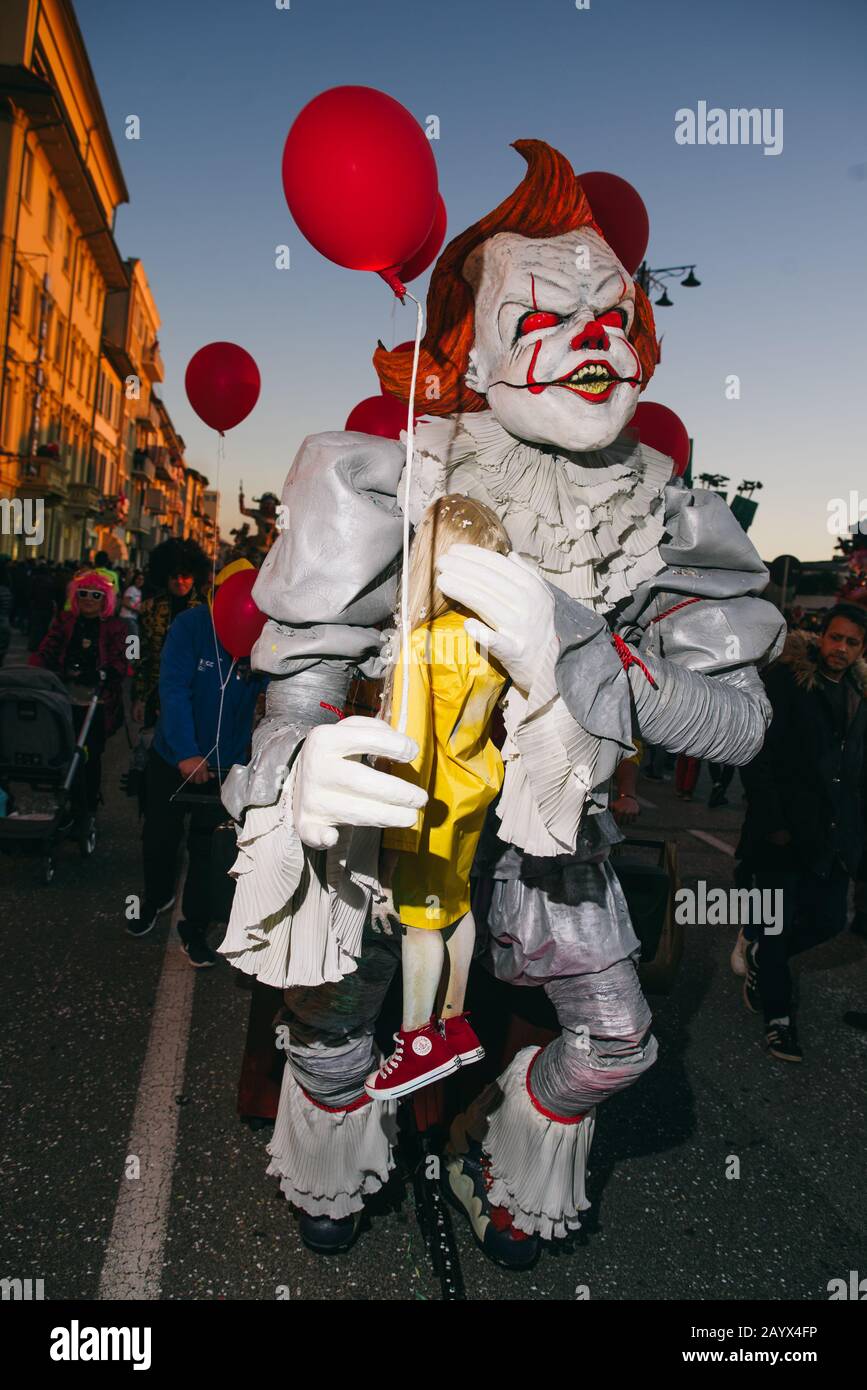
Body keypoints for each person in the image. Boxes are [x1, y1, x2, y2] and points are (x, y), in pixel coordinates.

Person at [223, 140, 784, 1261]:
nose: (594, 337)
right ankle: (333, 1161)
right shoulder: (394, 475)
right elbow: (298, 687)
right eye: (542, 316)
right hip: (402, 810)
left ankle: (516, 1158)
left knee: (621, 1041)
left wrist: (587, 657)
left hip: (552, 827)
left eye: (615, 315)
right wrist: (299, 768)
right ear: (470, 355)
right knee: (331, 1012)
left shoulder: (667, 512)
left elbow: (743, 723)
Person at [366, 498, 509, 1101]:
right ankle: (455, 1021)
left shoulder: (423, 642)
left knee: (418, 923)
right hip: (474, 794)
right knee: (457, 908)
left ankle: (416, 1039)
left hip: (427, 803)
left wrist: (394, 835)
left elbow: (410, 743)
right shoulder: (488, 638)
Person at [736, 604, 867, 1062]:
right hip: (785, 833)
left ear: (861, 649)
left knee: (830, 921)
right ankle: (778, 1020)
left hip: (833, 840)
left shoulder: (859, 694)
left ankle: (762, 960)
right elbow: (756, 751)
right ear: (821, 636)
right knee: (777, 927)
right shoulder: (787, 683)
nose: (841, 649)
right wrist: (772, 822)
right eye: (836, 638)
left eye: (852, 643)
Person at [128, 561, 267, 966]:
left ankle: (195, 928)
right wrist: (187, 751)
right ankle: (155, 898)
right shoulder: (190, 625)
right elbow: (173, 688)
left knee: (208, 850)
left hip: (224, 765)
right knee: (160, 838)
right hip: (174, 757)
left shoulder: (260, 632)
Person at [29, 569, 127, 810]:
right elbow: (45, 651)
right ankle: (62, 803)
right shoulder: (64, 621)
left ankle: (87, 808)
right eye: (83, 593)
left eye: (96, 595)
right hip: (62, 700)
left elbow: (125, 661)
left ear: (106, 599)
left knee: (90, 758)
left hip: (97, 704)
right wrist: (37, 672)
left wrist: (103, 673)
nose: (88, 599)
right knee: (60, 754)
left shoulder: (119, 627)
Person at [131, 539, 208, 727]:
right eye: (174, 575)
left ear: (195, 576)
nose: (180, 581)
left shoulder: (207, 611)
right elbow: (139, 655)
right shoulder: (151, 608)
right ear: (165, 576)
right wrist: (139, 698)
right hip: (155, 692)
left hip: (194, 695)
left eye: (185, 575)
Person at [120, 570, 144, 639]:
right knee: (134, 638)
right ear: (135, 579)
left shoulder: (139, 591)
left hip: (133, 618)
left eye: (142, 579)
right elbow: (125, 602)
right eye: (138, 579)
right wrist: (136, 610)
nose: (140, 581)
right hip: (127, 617)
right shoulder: (131, 589)